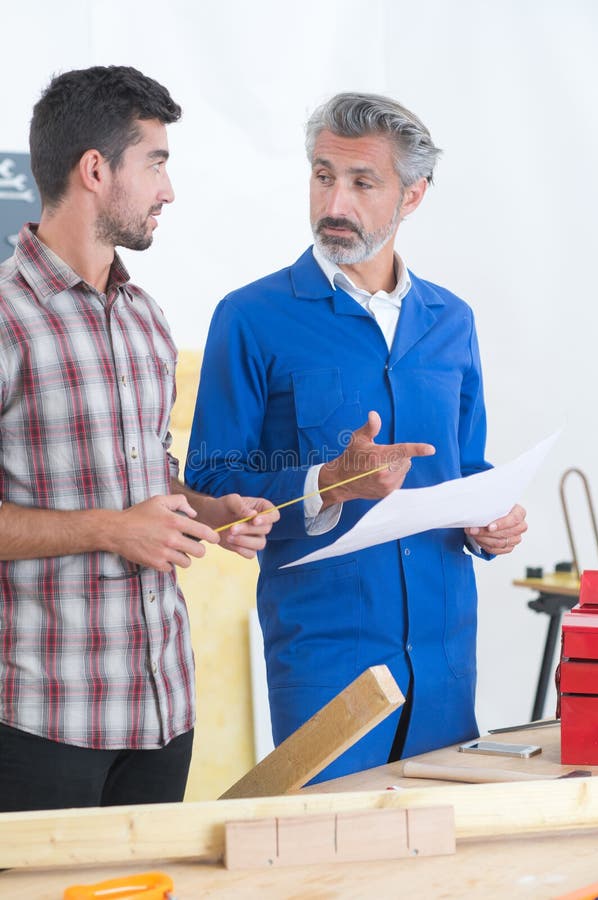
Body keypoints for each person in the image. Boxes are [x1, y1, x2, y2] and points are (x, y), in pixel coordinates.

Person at [185, 92, 527, 782]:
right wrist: (325, 484)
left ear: (414, 195)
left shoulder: (450, 321)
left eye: (362, 182)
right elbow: (211, 480)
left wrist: (493, 520)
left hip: (443, 655)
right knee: (331, 857)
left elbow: (467, 469)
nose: (333, 202)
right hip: (325, 658)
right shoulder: (251, 318)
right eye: (322, 175)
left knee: (438, 860)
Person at [0, 65, 278, 813]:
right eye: (155, 162)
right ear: (96, 170)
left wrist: (212, 513)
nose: (168, 189)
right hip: (39, 720)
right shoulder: (4, 318)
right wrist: (111, 531)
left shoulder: (148, 318)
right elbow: (119, 519)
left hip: (162, 711)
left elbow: (152, 481)